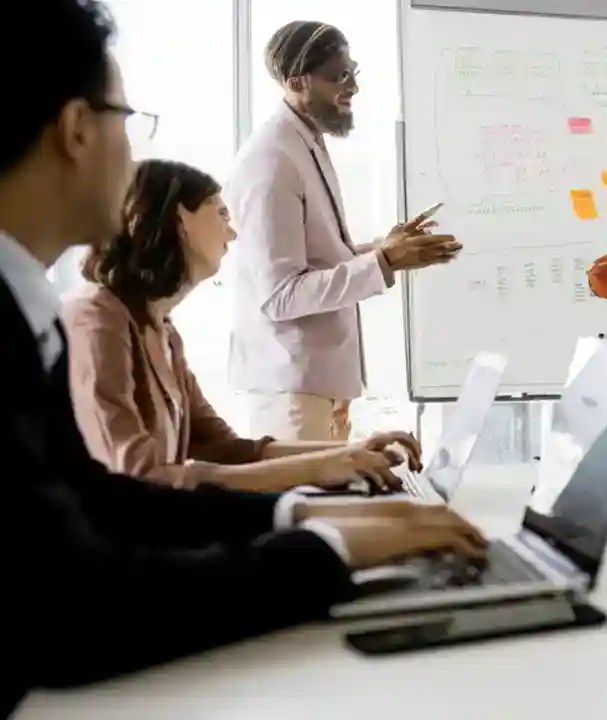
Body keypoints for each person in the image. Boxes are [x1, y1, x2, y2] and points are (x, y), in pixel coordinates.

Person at [0, 3, 484, 713]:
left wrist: (304, 514)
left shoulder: (42, 314)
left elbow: (107, 503)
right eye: (129, 123)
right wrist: (327, 546)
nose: (134, 159)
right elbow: (78, 605)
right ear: (77, 130)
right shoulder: (76, 319)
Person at [65, 159, 424, 492]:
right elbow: (141, 478)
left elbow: (226, 449)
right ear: (179, 219)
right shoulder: (97, 321)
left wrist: (353, 452)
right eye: (220, 212)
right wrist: (326, 466)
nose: (232, 232)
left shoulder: (163, 331)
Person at [224, 20, 461, 442]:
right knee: (310, 507)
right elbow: (280, 296)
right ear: (297, 82)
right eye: (338, 76)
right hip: (291, 394)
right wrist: (383, 262)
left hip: (318, 388)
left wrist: (386, 248)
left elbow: (319, 258)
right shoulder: (271, 160)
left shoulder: (303, 142)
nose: (353, 86)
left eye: (353, 71)